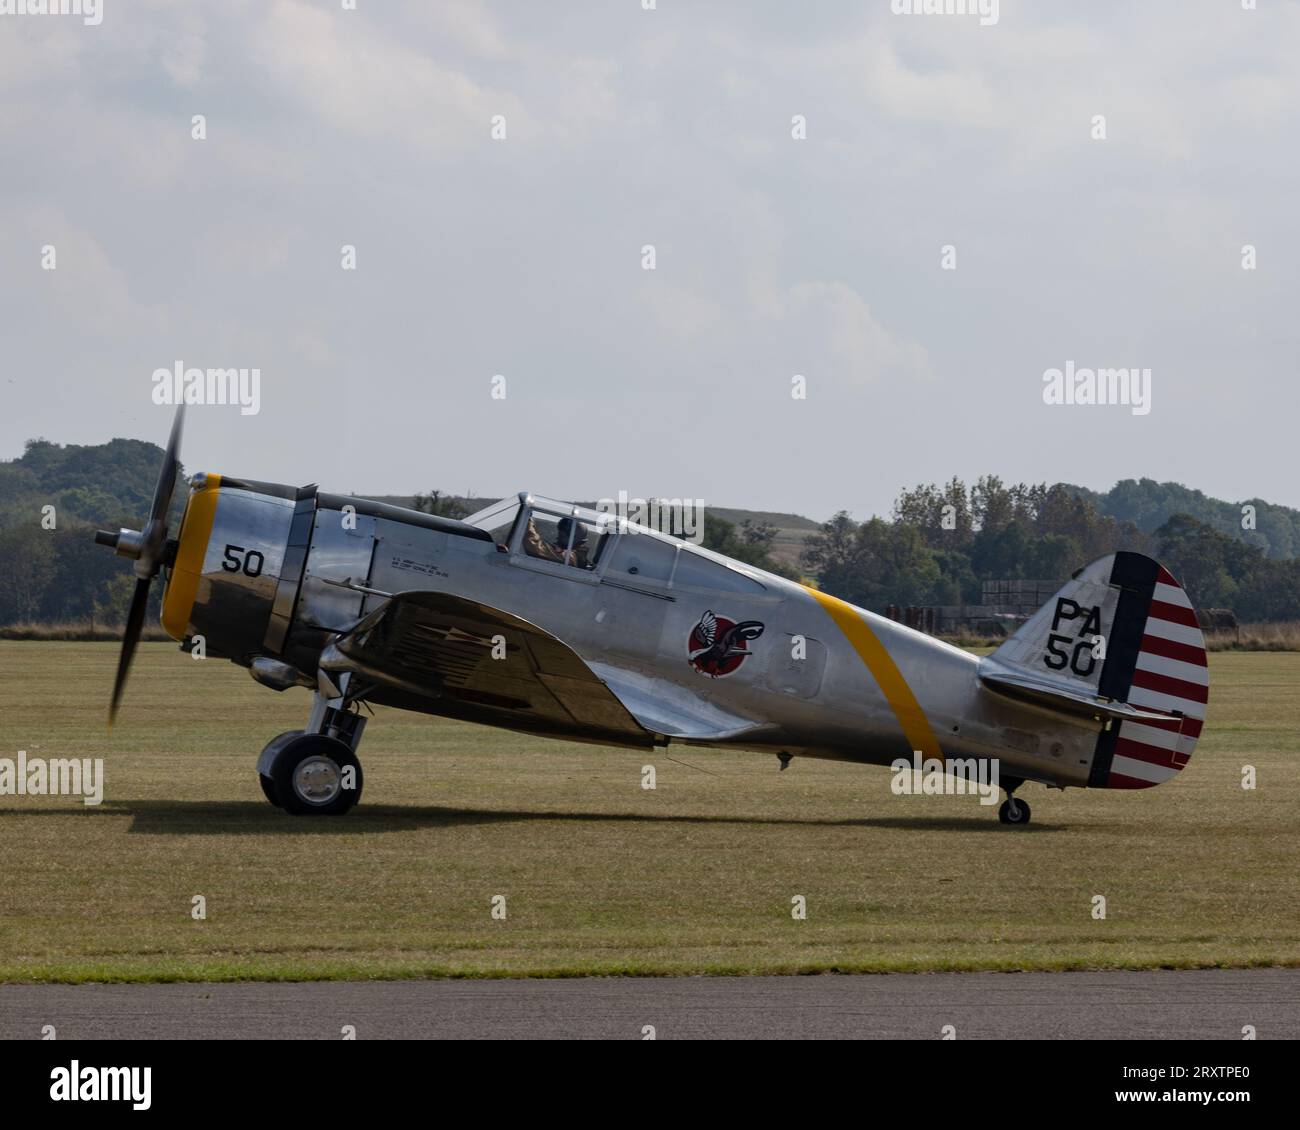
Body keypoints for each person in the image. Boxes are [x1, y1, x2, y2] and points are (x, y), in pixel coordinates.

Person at [523, 515, 589, 568]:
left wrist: (528, 521)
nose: (558, 538)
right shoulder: (574, 557)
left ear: (573, 538)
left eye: (562, 536)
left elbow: (533, 546)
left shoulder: (570, 558)